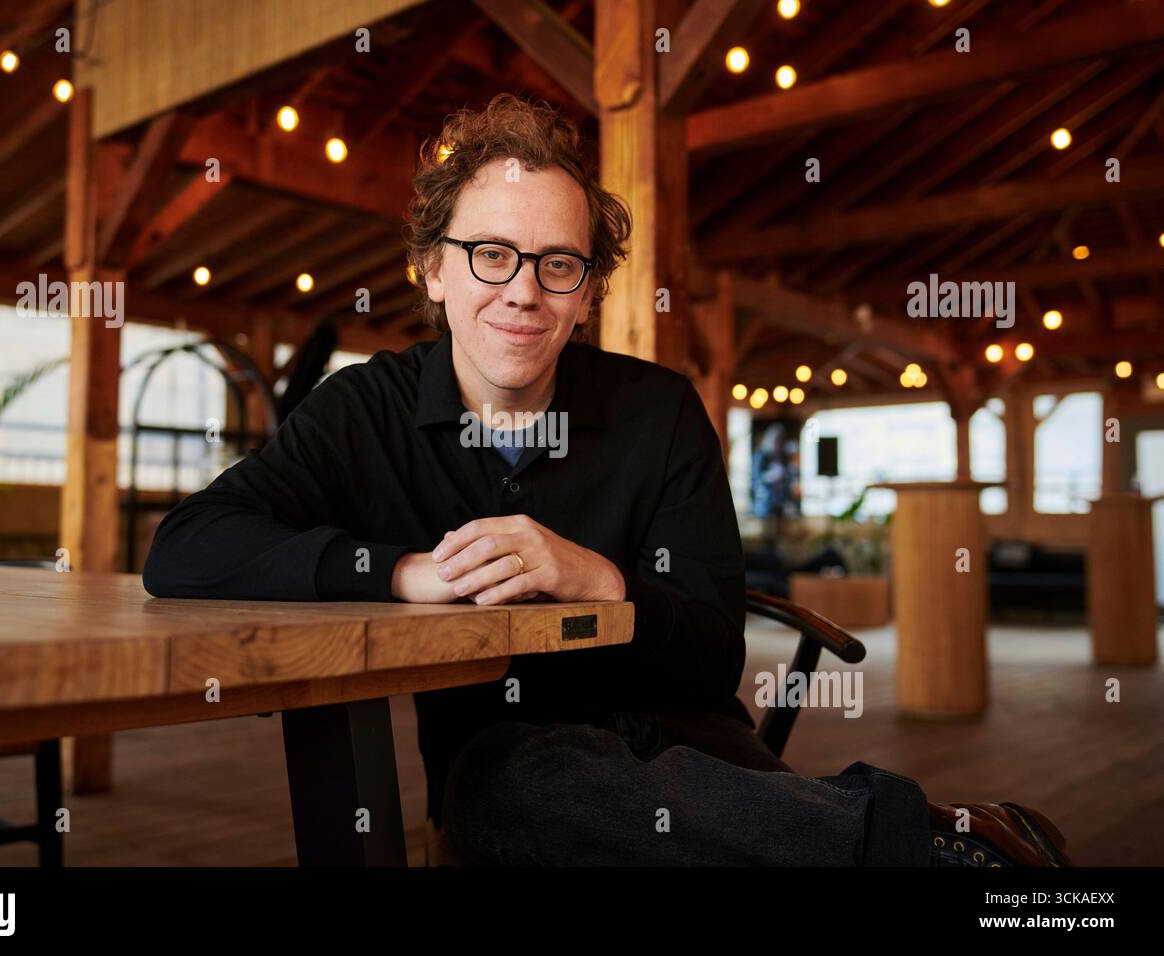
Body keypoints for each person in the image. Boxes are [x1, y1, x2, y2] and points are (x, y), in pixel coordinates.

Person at [141, 93, 1071, 867]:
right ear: (432, 269)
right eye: (491, 254)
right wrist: (402, 572)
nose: (523, 290)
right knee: (520, 793)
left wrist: (603, 582)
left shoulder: (659, 409)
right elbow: (187, 547)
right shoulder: (364, 411)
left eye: (559, 265)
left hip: (691, 742)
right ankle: (943, 845)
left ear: (588, 293)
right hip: (517, 763)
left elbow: (713, 655)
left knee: (711, 814)